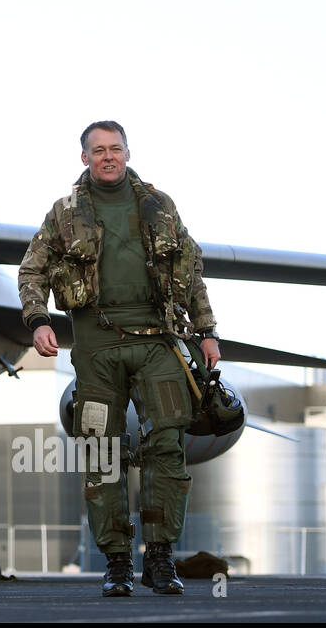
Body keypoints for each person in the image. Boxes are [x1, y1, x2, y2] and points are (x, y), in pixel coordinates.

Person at [17, 121, 220, 596]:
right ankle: (116, 562)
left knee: (167, 444)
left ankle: (162, 556)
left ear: (127, 152)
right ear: (84, 158)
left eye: (115, 148)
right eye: (98, 150)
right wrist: (37, 320)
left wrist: (207, 331)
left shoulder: (160, 206)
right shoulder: (64, 213)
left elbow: (191, 272)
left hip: (158, 342)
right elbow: (33, 269)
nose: (107, 156)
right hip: (97, 346)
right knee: (102, 452)